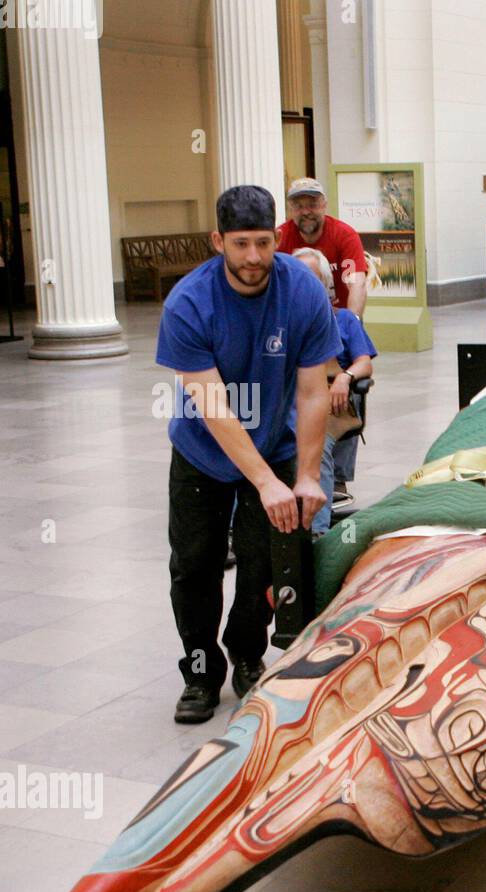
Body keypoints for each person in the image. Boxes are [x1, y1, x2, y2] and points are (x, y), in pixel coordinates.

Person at [157, 186, 342, 724]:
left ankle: (246, 654)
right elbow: (213, 407)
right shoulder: (189, 303)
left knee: (263, 562)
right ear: (219, 241)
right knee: (195, 565)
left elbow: (312, 391)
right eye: (241, 244)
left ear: (276, 237)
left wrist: (307, 476)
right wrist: (263, 483)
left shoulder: (302, 291)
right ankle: (199, 671)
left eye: (263, 242)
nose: (254, 257)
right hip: (202, 451)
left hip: (276, 444)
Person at [292, 248, 378, 534]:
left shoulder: (344, 320)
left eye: (311, 278)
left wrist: (345, 377)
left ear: (326, 284)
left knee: (318, 444)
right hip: (289, 400)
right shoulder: (283, 322)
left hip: (332, 400)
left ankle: (317, 531)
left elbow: (364, 362)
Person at [276, 177, 368, 316]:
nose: (306, 212)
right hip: (295, 320)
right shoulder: (280, 238)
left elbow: (356, 284)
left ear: (324, 205)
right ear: (290, 209)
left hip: (338, 317)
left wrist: (351, 323)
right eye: (298, 206)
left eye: (312, 205)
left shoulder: (344, 235)